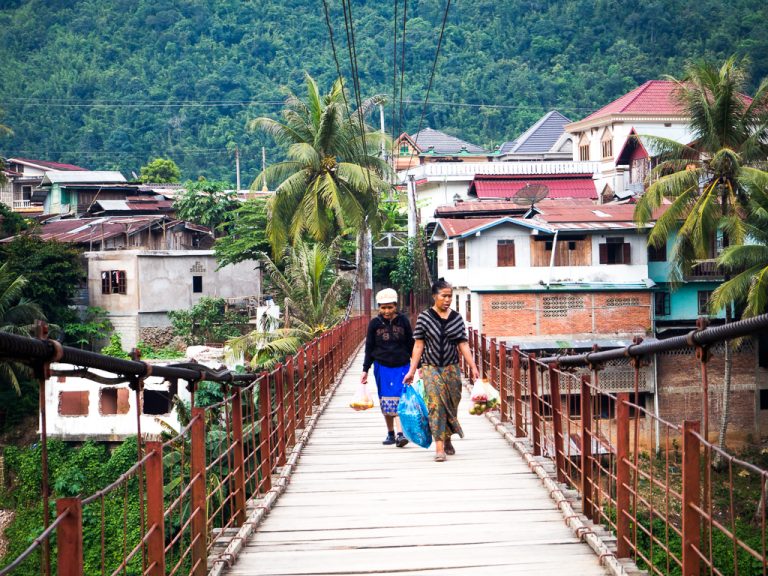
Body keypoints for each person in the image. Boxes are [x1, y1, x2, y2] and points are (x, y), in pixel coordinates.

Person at [404, 278, 479, 462]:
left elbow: (463, 344)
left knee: (452, 404)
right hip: (430, 368)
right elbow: (418, 346)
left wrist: (474, 368)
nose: (447, 300)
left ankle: (447, 437)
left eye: (450, 297)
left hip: (452, 369)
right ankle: (439, 447)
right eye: (444, 296)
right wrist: (412, 370)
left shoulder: (456, 318)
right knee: (436, 405)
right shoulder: (424, 318)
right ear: (434, 296)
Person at [362, 288, 414, 447]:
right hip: (382, 366)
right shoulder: (374, 324)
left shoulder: (404, 321)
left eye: (390, 307)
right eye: (383, 307)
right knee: (385, 400)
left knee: (399, 398)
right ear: (378, 307)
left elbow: (411, 344)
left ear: (396, 306)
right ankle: (390, 433)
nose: (387, 311)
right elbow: (369, 347)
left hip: (402, 365)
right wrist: (365, 369)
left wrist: (418, 365)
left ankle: (400, 434)